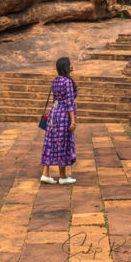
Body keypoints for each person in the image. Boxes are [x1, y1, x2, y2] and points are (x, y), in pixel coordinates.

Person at [40, 56, 77, 184]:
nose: (72, 65)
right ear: (66, 67)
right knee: (63, 142)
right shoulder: (67, 82)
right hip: (63, 115)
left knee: (50, 142)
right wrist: (73, 121)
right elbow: (70, 102)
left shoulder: (55, 81)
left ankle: (46, 173)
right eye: (70, 64)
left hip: (53, 113)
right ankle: (62, 176)